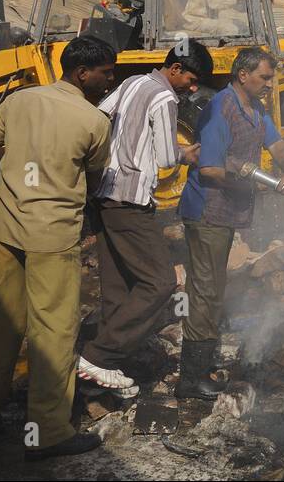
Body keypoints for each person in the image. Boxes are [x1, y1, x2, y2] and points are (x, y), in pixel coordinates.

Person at [0, 35, 115, 461]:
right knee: (53, 334)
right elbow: (94, 179)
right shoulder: (94, 120)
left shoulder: (19, 100)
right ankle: (48, 433)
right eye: (106, 72)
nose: (110, 79)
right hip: (54, 237)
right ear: (83, 73)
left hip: (6, 229)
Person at [77, 42, 213, 394]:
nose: (193, 87)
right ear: (174, 69)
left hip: (103, 195)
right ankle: (97, 354)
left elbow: (97, 117)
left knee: (118, 284)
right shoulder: (165, 98)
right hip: (131, 200)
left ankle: (98, 374)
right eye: (191, 78)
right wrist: (186, 154)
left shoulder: (132, 82)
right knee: (160, 282)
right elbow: (167, 157)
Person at [175, 47, 284, 400]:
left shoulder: (256, 111)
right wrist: (255, 182)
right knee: (205, 290)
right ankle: (190, 378)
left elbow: (278, 145)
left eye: (271, 78)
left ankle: (200, 365)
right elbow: (210, 168)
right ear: (243, 75)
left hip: (227, 214)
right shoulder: (221, 109)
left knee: (213, 286)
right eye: (264, 77)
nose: (270, 84)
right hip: (207, 212)